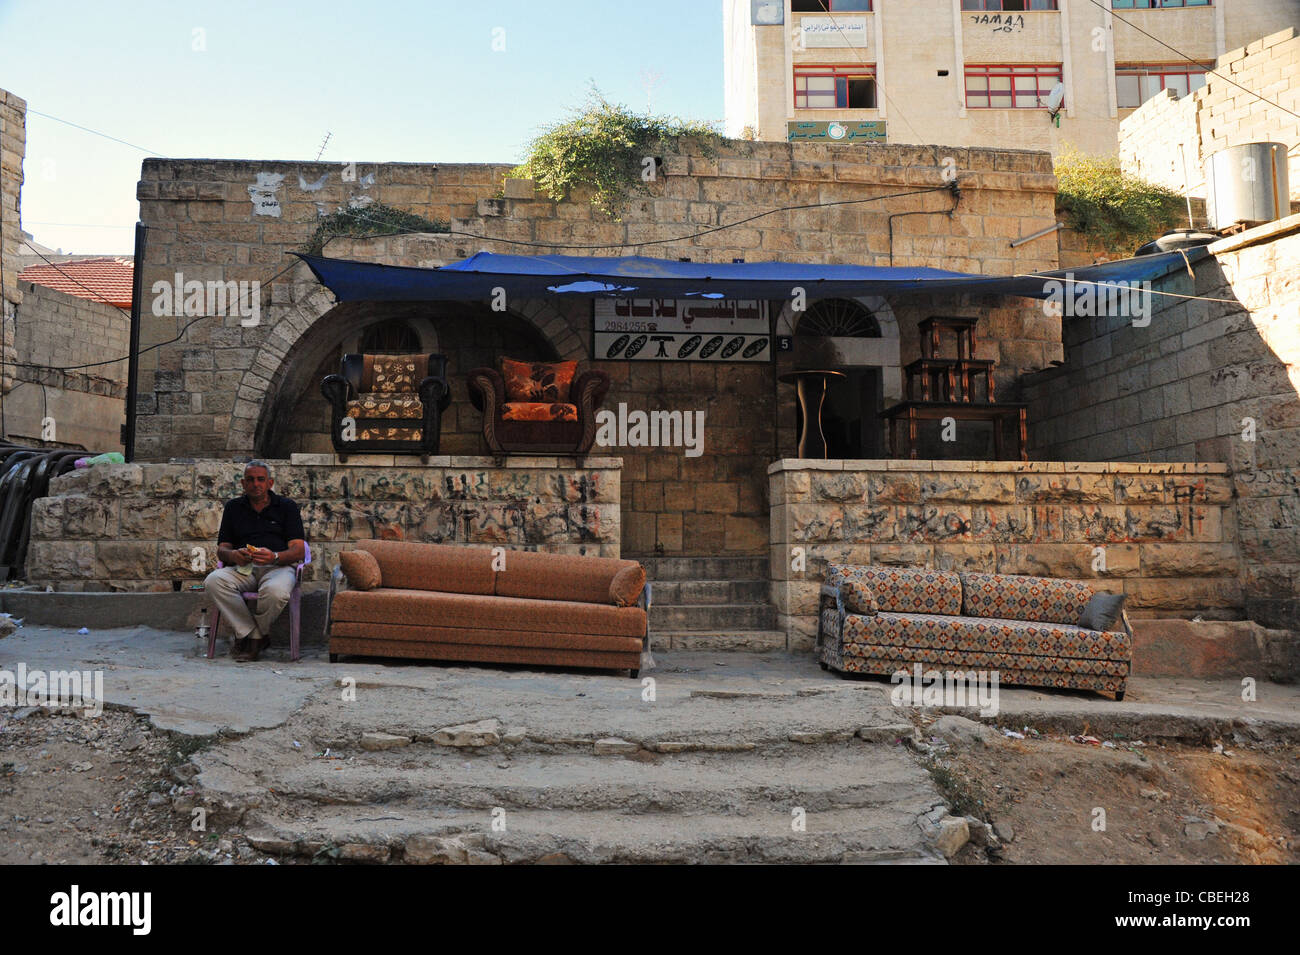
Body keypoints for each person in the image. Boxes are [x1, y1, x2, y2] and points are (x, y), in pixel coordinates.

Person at [205, 460, 306, 662]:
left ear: (270, 483)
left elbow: (299, 550)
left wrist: (275, 556)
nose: (256, 484)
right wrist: (234, 555)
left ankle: (253, 639)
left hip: (278, 567)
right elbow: (222, 549)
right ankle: (254, 635)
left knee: (276, 592)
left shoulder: (286, 507)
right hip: (244, 568)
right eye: (250, 480)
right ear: (243, 483)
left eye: (261, 479)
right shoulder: (234, 508)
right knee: (213, 581)